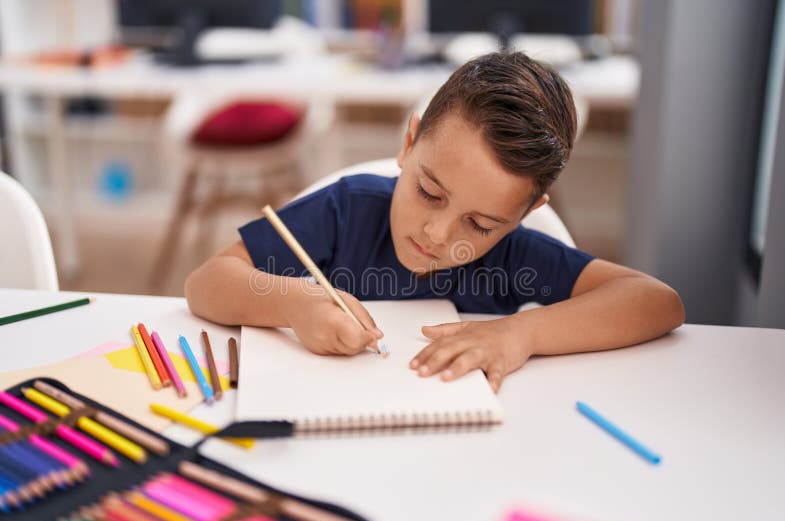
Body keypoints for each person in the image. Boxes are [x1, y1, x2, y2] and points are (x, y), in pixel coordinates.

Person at [185, 51, 685, 392]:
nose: (438, 234)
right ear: (408, 145)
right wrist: (293, 302)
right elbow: (206, 284)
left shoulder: (517, 255)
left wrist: (521, 334)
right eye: (429, 192)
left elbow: (657, 302)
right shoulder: (345, 211)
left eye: (482, 224)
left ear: (527, 215)